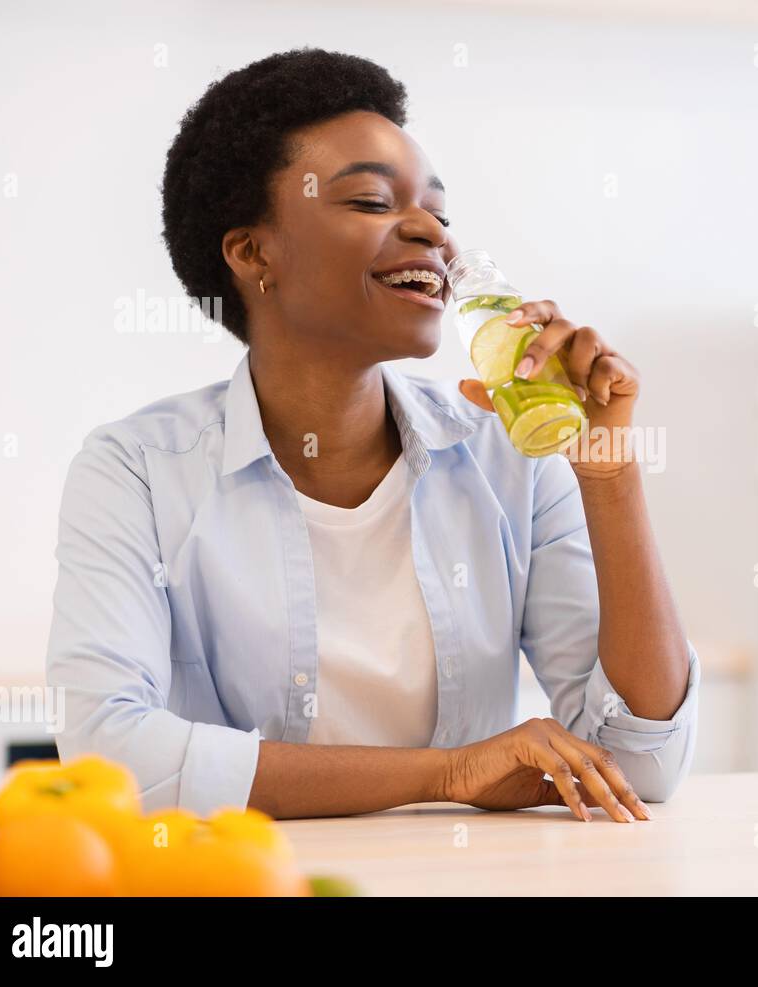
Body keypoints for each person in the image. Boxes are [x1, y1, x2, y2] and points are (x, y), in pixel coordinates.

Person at [45, 48, 700, 822]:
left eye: (439, 212)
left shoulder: (506, 455)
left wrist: (607, 471)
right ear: (253, 252)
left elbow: (640, 761)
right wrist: (448, 773)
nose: (428, 230)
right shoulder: (139, 472)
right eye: (369, 202)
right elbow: (109, 754)